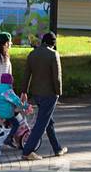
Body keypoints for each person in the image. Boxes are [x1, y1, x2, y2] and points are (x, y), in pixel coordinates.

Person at [20, 31, 68, 161]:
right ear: (53, 43)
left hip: (36, 94)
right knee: (41, 123)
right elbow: (57, 77)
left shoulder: (32, 54)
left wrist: (24, 91)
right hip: (50, 94)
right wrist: (59, 93)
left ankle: (57, 148)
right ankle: (27, 151)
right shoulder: (53, 55)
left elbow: (26, 75)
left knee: (48, 121)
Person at [0, 72, 29, 137]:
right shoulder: (8, 91)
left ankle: (6, 135)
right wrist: (25, 106)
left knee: (8, 122)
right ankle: (9, 139)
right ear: (10, 82)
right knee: (16, 124)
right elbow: (16, 100)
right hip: (6, 112)